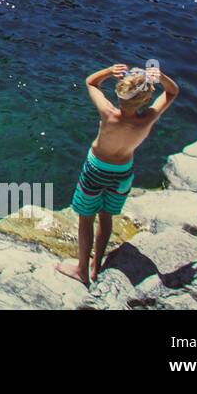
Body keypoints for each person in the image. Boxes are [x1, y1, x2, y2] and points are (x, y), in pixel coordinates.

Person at [56, 64, 180, 286]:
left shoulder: (109, 113)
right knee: (106, 216)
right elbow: (172, 92)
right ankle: (96, 266)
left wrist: (108, 71)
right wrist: (160, 77)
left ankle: (82, 269)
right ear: (144, 99)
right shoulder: (147, 118)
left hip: (95, 170)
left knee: (86, 218)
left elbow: (90, 82)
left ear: (120, 93)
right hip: (122, 174)